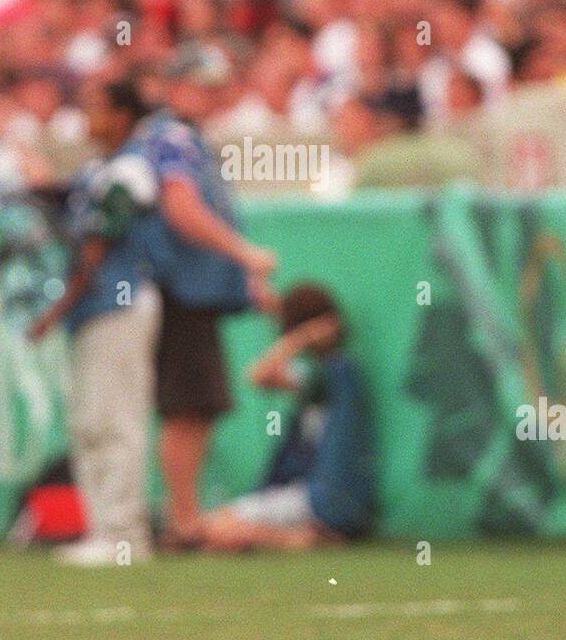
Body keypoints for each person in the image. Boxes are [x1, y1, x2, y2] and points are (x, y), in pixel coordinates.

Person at [139, 46, 279, 547]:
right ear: (174, 87)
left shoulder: (186, 139)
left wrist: (243, 275)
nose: (213, 96)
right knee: (188, 406)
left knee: (194, 406)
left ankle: (182, 515)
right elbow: (181, 208)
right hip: (181, 292)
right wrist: (243, 254)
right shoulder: (173, 139)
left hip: (187, 291)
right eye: (202, 85)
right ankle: (183, 519)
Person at [29, 78, 161, 567]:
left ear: (124, 115)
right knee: (89, 421)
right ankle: (104, 528)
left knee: (115, 419)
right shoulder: (98, 170)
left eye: (99, 107)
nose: (89, 117)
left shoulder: (131, 170)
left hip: (119, 304)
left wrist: (54, 308)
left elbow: (98, 245)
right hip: (94, 308)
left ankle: (125, 535)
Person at [202, 283, 373, 552]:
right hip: (307, 496)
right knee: (215, 530)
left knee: (215, 528)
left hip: (325, 499)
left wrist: (300, 337)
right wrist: (303, 337)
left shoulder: (337, 373)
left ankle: (297, 539)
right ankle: (299, 537)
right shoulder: (318, 377)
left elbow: (259, 374)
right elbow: (261, 376)